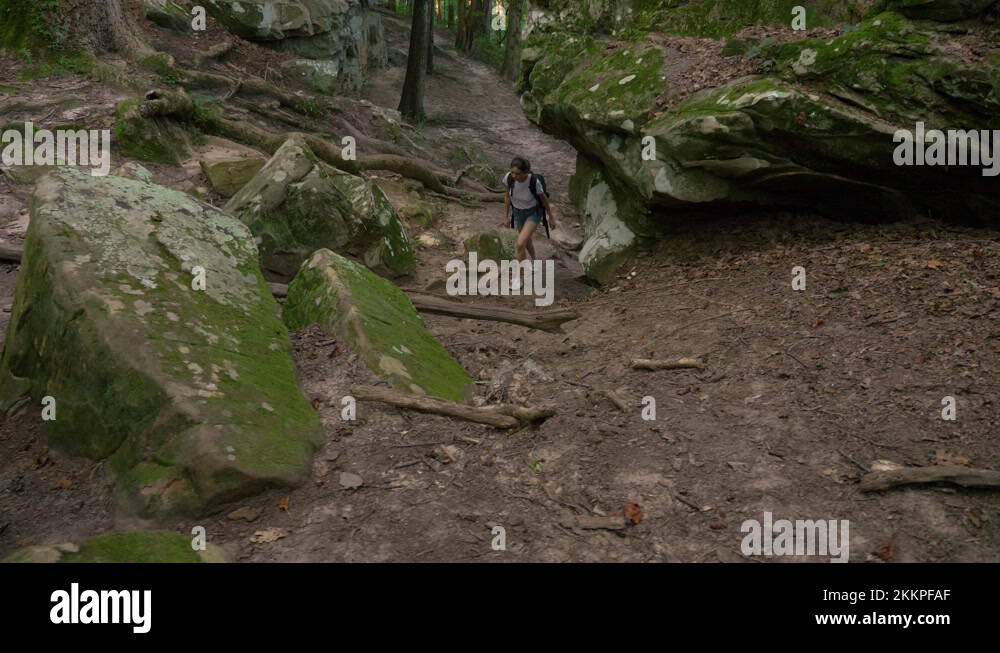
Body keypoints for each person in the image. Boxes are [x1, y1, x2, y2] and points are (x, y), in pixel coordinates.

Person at [501, 157, 558, 291]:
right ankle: (533, 261)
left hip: (533, 213)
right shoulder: (509, 178)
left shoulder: (533, 181)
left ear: (526, 172)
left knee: (520, 243)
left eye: (518, 174)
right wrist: (506, 216)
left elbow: (544, 199)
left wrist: (551, 217)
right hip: (518, 213)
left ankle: (519, 278)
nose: (514, 176)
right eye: (512, 172)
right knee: (526, 241)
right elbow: (507, 196)